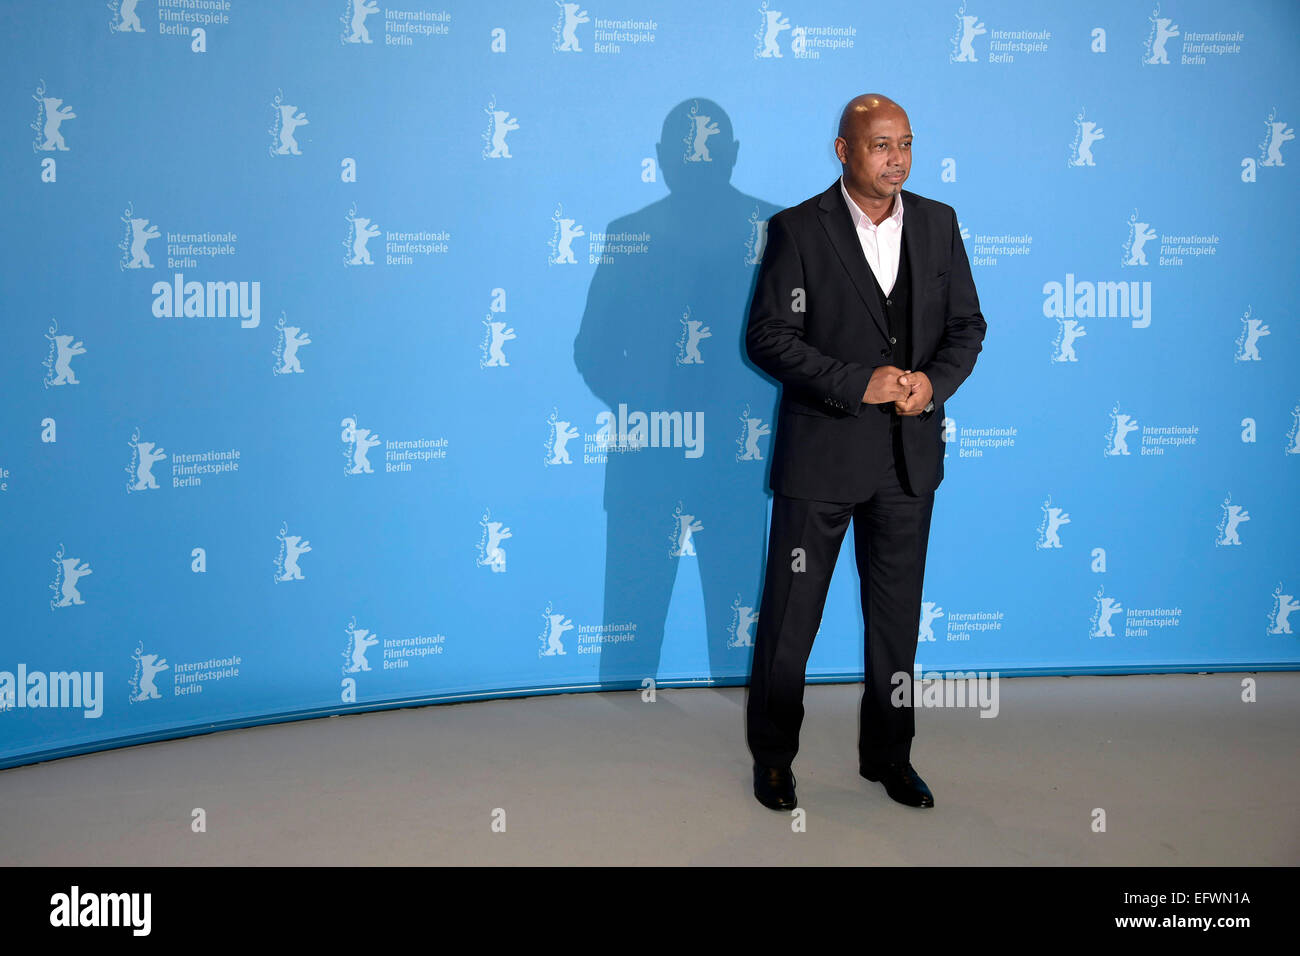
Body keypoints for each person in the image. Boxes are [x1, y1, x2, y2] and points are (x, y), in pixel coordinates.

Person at [744, 93, 986, 810]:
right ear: (844, 150)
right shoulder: (796, 229)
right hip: (821, 460)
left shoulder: (939, 224)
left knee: (896, 626)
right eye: (881, 145)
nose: (898, 159)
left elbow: (967, 327)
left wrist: (931, 386)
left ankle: (889, 757)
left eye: (906, 143)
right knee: (792, 622)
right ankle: (775, 760)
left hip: (908, 462)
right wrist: (859, 383)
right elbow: (768, 337)